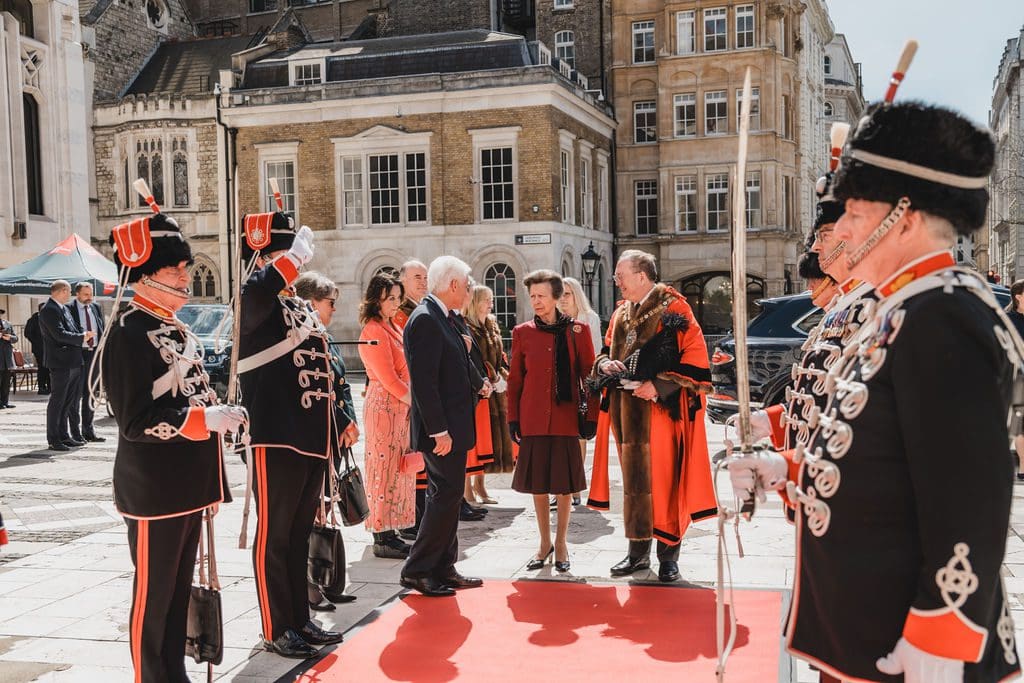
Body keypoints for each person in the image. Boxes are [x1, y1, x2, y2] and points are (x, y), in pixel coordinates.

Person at [731, 100, 1021, 682]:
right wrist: (787, 468)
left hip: (911, 636)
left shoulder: (943, 314)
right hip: (870, 616)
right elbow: (875, 452)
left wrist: (941, 633)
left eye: (856, 213)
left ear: (904, 218)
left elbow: (969, 495)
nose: (838, 230)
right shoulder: (905, 308)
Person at [102, 200, 242, 683]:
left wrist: (213, 472)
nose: (186, 279)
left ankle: (172, 673)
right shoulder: (127, 332)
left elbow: (193, 396)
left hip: (187, 485)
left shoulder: (175, 329)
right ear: (144, 277)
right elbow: (135, 420)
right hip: (154, 488)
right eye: (175, 271)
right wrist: (203, 419)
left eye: (185, 269)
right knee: (154, 596)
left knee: (179, 593)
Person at [238, 210, 344, 658]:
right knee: (275, 536)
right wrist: (281, 264)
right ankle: (275, 626)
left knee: (299, 534)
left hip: (308, 438)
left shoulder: (294, 305)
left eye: (292, 256)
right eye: (282, 256)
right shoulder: (254, 297)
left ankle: (300, 618)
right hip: (276, 433)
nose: (291, 264)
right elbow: (253, 299)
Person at [590, 250, 716, 583]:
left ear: (642, 276)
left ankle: (668, 557)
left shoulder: (676, 308)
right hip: (626, 413)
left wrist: (659, 386)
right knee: (635, 486)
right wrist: (604, 364)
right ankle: (636, 554)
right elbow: (605, 351)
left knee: (664, 485)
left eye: (620, 275)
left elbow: (697, 362)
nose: (616, 281)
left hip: (661, 415)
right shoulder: (620, 313)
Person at [400, 255, 489, 597]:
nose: (468, 292)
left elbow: (456, 364)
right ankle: (418, 569)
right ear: (452, 285)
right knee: (443, 497)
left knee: (449, 498)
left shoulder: (445, 317)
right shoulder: (426, 319)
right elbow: (424, 383)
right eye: (466, 286)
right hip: (442, 431)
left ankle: (443, 565)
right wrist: (438, 431)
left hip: (454, 426)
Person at [508, 270, 598, 573]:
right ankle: (543, 542)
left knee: (563, 485)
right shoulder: (522, 332)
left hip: (565, 419)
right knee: (538, 486)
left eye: (541, 296)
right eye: (532, 296)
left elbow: (589, 377)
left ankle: (561, 543)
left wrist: (591, 416)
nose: (536, 301)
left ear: (557, 297)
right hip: (533, 418)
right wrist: (513, 418)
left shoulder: (578, 331)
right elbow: (515, 380)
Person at [294, 271, 359, 610]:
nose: (334, 309)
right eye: (330, 303)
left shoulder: (325, 336)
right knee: (313, 512)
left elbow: (342, 383)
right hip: (313, 436)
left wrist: (349, 421)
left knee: (328, 508)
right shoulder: (301, 338)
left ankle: (331, 579)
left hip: (333, 435)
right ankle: (310, 584)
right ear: (310, 302)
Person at [358, 273, 417, 559]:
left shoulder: (392, 326)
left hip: (400, 407)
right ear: (376, 298)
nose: (396, 303)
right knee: (382, 469)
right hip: (384, 407)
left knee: (398, 468)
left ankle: (393, 529)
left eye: (397, 297)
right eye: (390, 298)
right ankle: (381, 535)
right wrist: (415, 402)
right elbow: (388, 378)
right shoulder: (373, 331)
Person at [463, 285, 514, 488]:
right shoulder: (468, 326)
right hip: (478, 388)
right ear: (476, 302)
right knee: (476, 442)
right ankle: (468, 490)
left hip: (496, 390)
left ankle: (481, 487)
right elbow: (472, 359)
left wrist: (503, 376)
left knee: (490, 439)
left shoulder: (492, 324)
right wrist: (488, 378)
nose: (490, 303)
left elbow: (500, 357)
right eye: (486, 299)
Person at [557, 276, 602, 506]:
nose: (563, 299)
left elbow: (594, 354)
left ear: (576, 295)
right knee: (559, 438)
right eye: (560, 294)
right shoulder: (553, 320)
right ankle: (559, 488)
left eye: (567, 294)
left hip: (582, 385)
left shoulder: (589, 319)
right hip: (558, 386)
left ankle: (575, 485)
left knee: (578, 437)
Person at [395, 259, 429, 539]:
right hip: (405, 395)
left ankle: (418, 513)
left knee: (419, 457)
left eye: (425, 276)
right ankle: (410, 517)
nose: (423, 281)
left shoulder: (420, 309)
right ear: (402, 280)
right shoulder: (401, 315)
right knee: (409, 459)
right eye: (417, 276)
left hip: (418, 393)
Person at [39, 280, 92, 451]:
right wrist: (81, 337)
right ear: (62, 291)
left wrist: (82, 334)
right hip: (60, 362)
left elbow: (74, 329)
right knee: (58, 401)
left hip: (73, 360)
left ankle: (64, 435)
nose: (70, 295)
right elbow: (59, 334)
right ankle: (54, 438)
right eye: (68, 291)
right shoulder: (49, 310)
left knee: (68, 401)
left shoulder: (64, 308)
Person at [67, 282, 106, 442]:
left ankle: (89, 431)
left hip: (94, 354)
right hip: (78, 354)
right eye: (86, 294)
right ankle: (76, 432)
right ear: (77, 294)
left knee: (90, 393)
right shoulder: (69, 309)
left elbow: (101, 327)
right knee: (75, 396)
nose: (89, 297)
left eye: (90, 294)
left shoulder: (95, 307)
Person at [23, 304, 49, 394]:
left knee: (50, 368)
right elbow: (27, 333)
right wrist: (37, 342)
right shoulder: (33, 320)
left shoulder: (50, 318)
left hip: (50, 348)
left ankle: (50, 387)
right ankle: (41, 387)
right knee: (42, 367)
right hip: (39, 349)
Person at [0, 309, 17, 409]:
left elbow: (16, 338)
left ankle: (5, 401)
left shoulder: (8, 324)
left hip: (7, 358)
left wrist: (9, 337)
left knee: (6, 382)